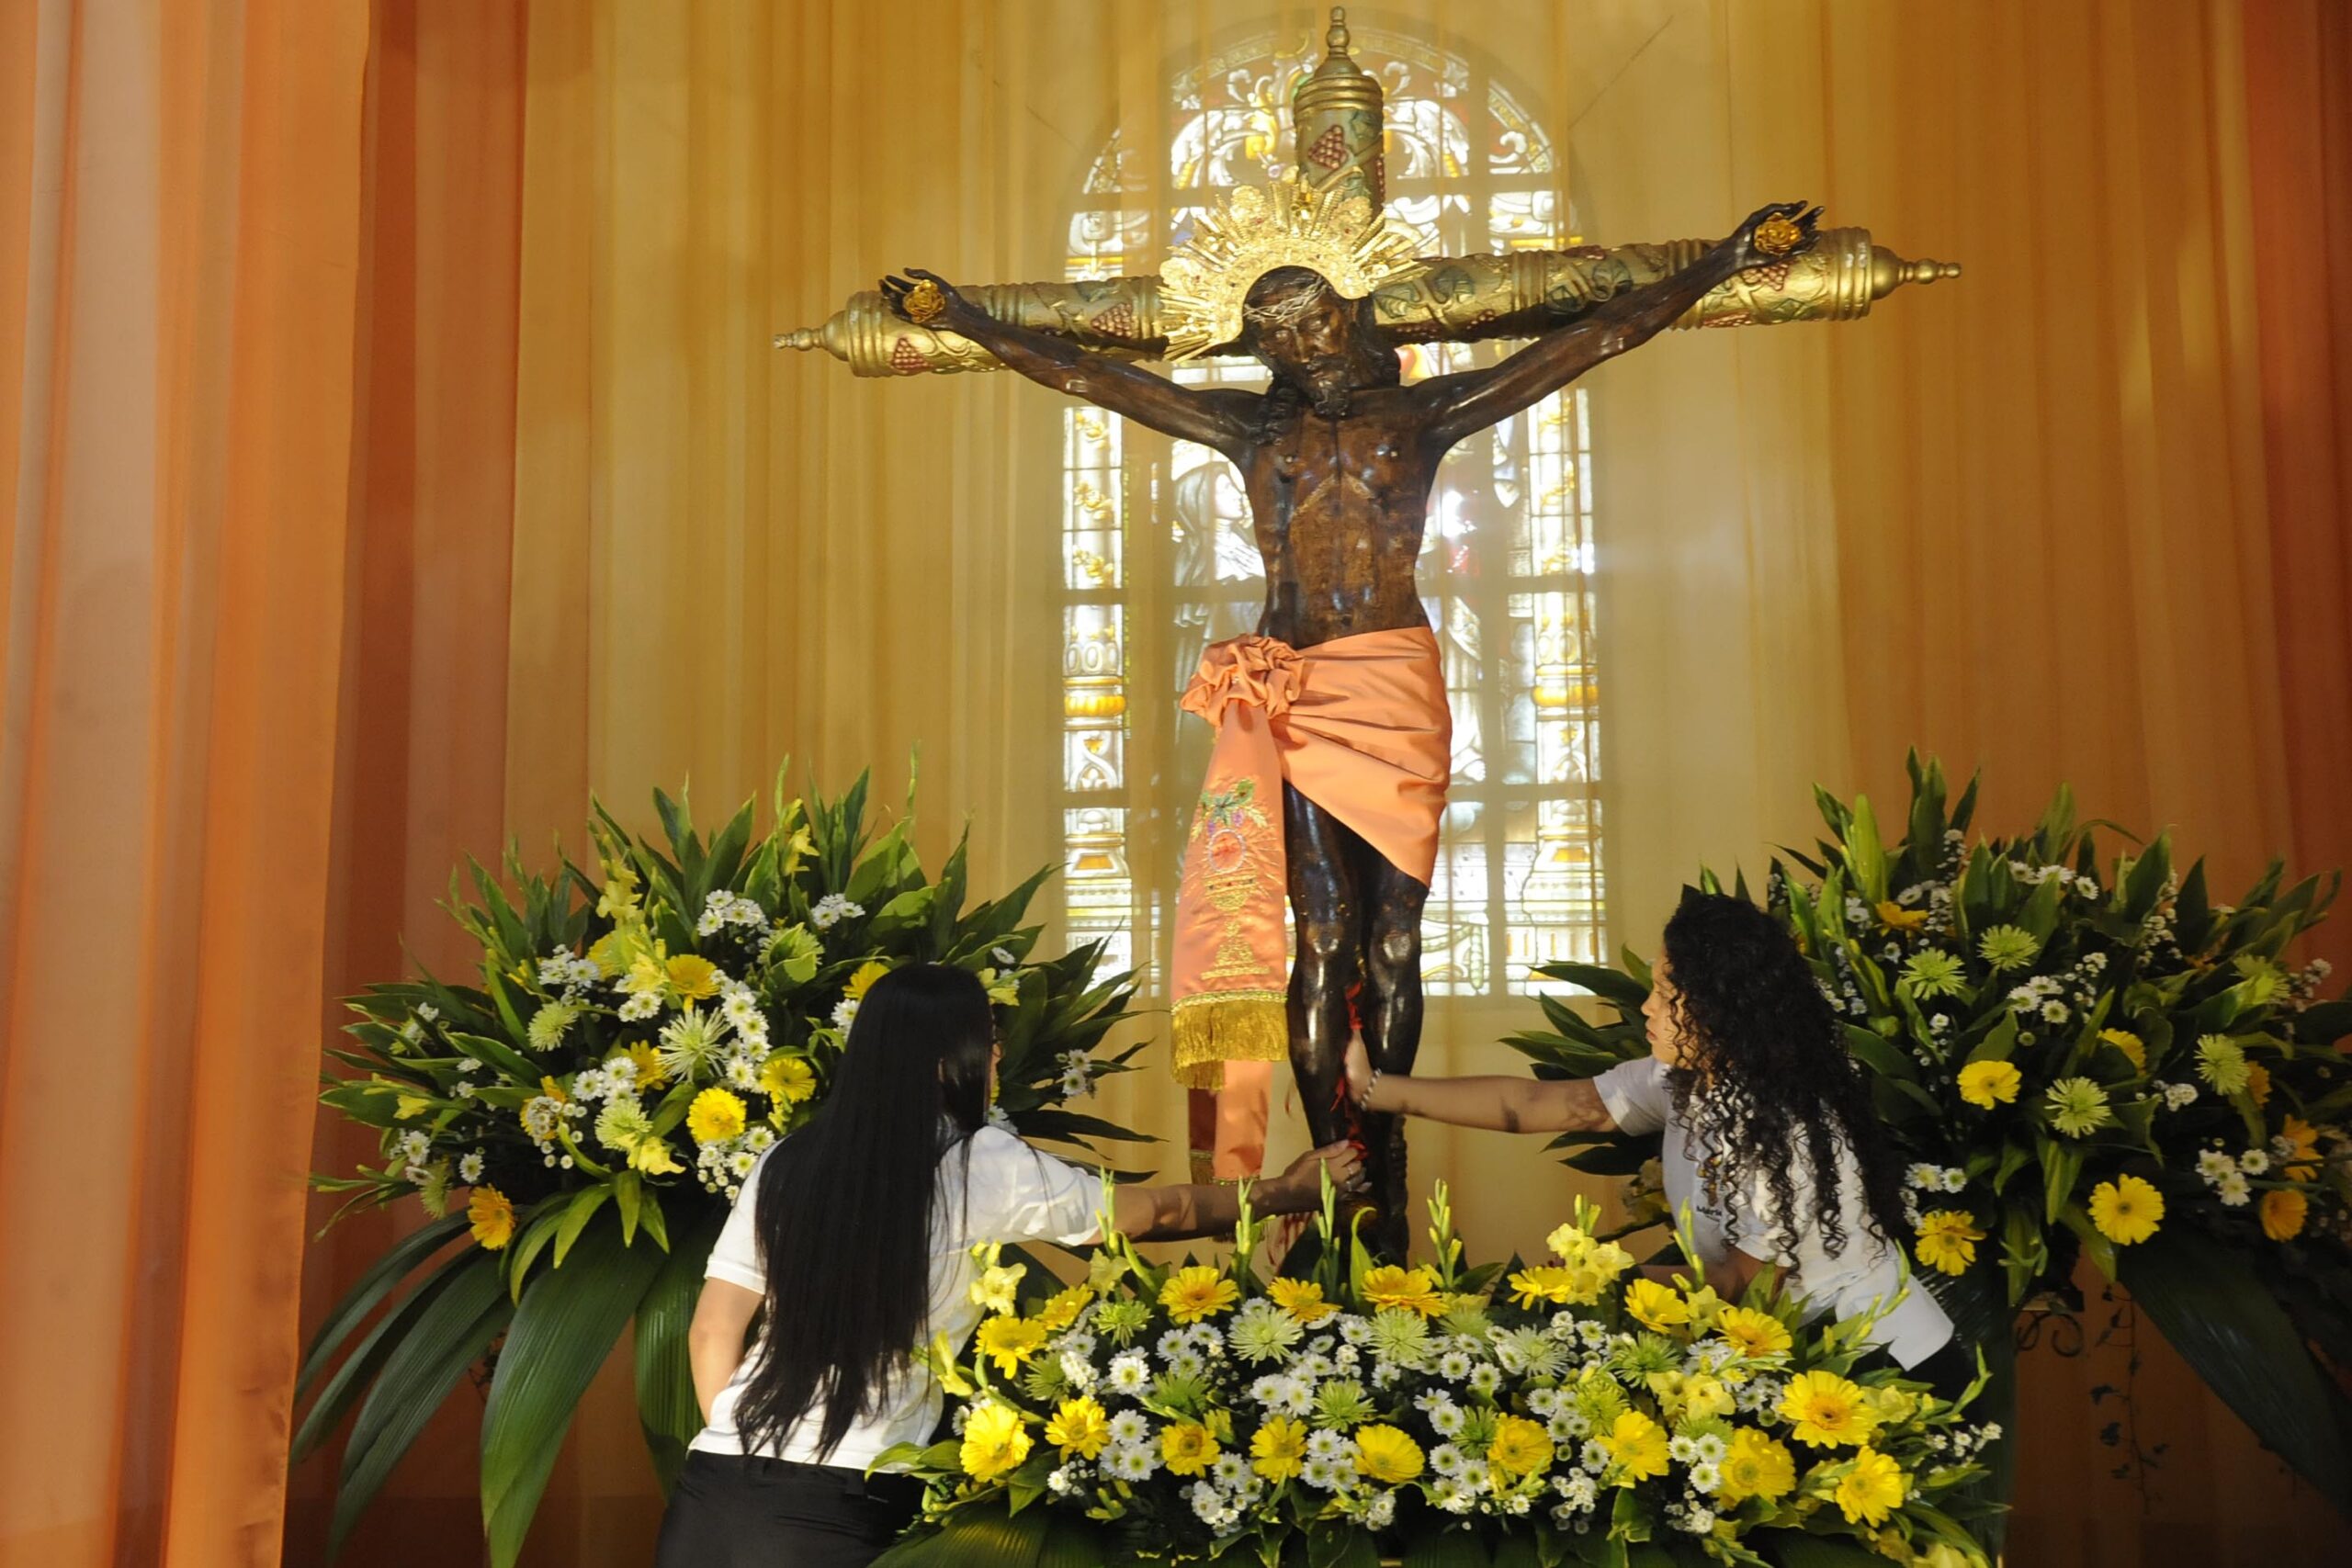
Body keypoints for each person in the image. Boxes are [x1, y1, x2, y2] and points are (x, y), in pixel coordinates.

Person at [655, 963, 1364, 1568]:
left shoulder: (787, 1158)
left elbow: (712, 1331)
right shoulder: (976, 1162)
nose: (997, 1061)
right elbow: (1154, 1214)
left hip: (712, 1487)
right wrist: (1283, 1191)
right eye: (989, 1045)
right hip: (836, 1506)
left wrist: (750, 1456)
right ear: (945, 1060)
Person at [1343, 889, 1962, 1384]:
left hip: (1886, 1368)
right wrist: (1375, 1088)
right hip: (1807, 1361)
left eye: (1668, 994)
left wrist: (1599, 1275)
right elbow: (1537, 1102)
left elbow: (1740, 1288)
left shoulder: (1789, 1130)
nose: (1647, 1006)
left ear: (1723, 1008)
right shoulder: (1682, 1079)